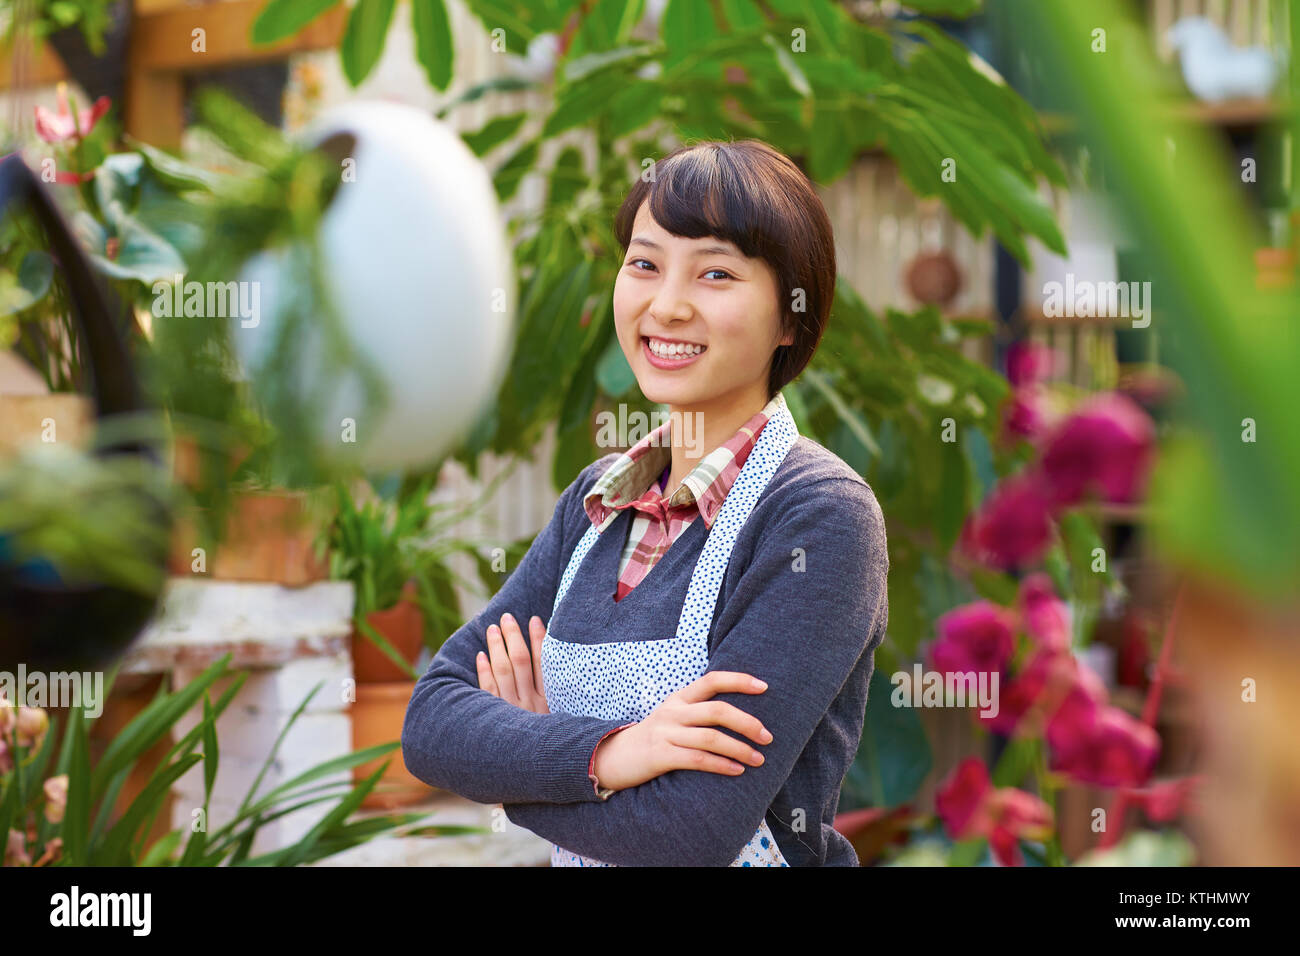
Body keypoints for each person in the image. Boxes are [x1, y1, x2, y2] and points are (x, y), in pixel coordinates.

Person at [402, 139, 889, 866]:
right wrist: (612, 754)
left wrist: (515, 762)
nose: (666, 305)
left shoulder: (818, 516)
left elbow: (688, 830)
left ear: (791, 317)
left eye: (716, 272)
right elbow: (432, 723)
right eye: (645, 263)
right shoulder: (596, 504)